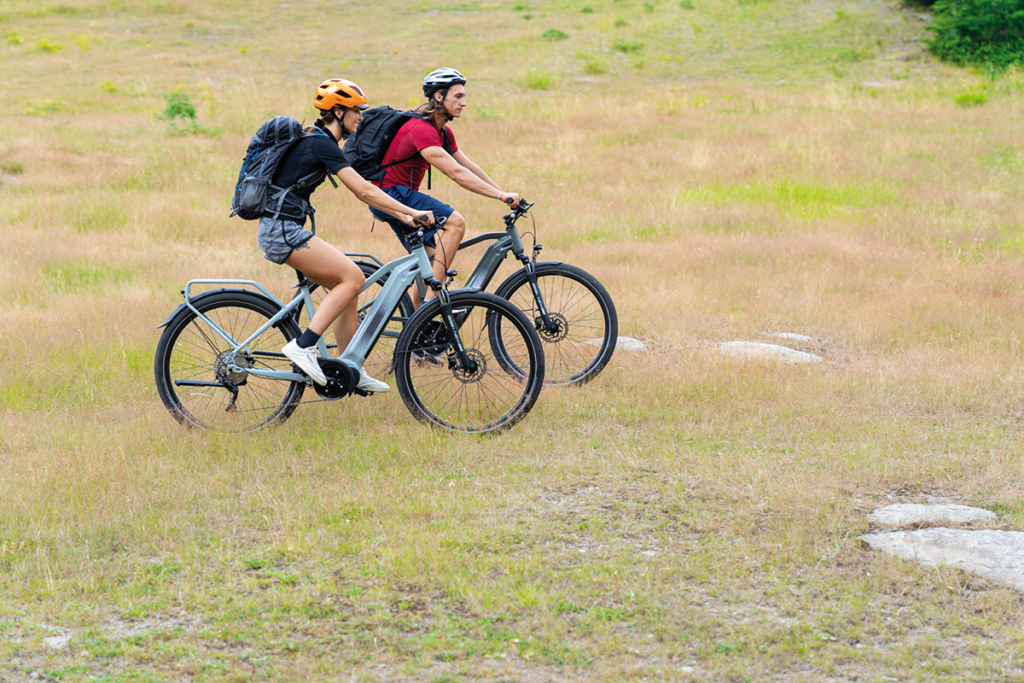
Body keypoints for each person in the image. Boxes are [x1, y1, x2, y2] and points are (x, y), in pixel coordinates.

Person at [260, 78, 434, 390]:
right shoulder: (321, 143)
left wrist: (403, 216)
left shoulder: (318, 141)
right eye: (356, 110)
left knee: (349, 288)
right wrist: (409, 211)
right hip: (280, 230)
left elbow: (365, 194)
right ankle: (303, 346)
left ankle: (348, 365)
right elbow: (365, 190)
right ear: (338, 112)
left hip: (282, 229)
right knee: (353, 277)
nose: (361, 117)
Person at [368, 68, 519, 305]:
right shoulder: (421, 129)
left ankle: (419, 326)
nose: (464, 103)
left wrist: (503, 194)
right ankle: (432, 303)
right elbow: (456, 174)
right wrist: (500, 195)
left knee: (428, 266)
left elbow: (467, 166)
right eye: (457, 97)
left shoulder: (443, 132)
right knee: (455, 223)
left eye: (464, 97)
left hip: (396, 195)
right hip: (391, 193)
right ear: (439, 96)